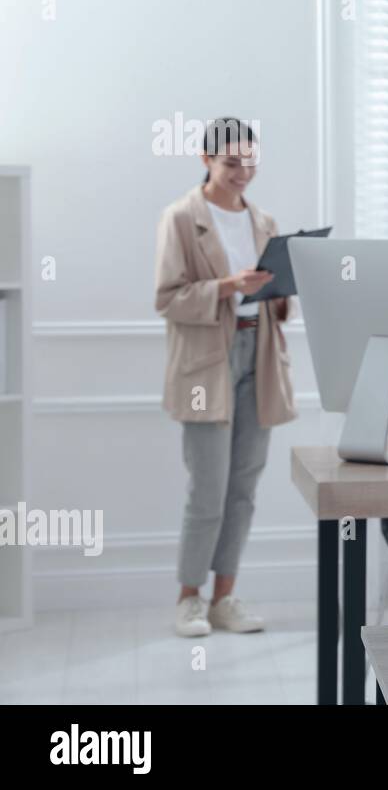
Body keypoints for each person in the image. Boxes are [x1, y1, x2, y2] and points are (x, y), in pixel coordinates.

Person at [155, 117, 296, 636]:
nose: (243, 172)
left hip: (257, 357)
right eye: (232, 162)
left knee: (243, 487)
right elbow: (167, 299)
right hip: (205, 364)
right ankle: (188, 597)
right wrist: (226, 286)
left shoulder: (265, 222)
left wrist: (279, 295)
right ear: (206, 159)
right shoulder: (180, 218)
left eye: (251, 162)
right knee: (208, 489)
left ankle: (225, 597)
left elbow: (280, 306)